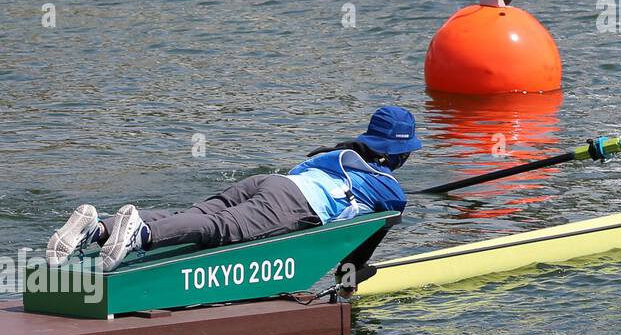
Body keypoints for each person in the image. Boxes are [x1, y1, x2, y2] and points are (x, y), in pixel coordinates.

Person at [47, 105, 421, 272]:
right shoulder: (389, 189)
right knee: (219, 231)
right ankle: (141, 234)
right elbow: (374, 229)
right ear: (398, 153)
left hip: (272, 182)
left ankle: (98, 228)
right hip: (294, 203)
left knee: (196, 216)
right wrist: (350, 273)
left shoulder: (335, 154)